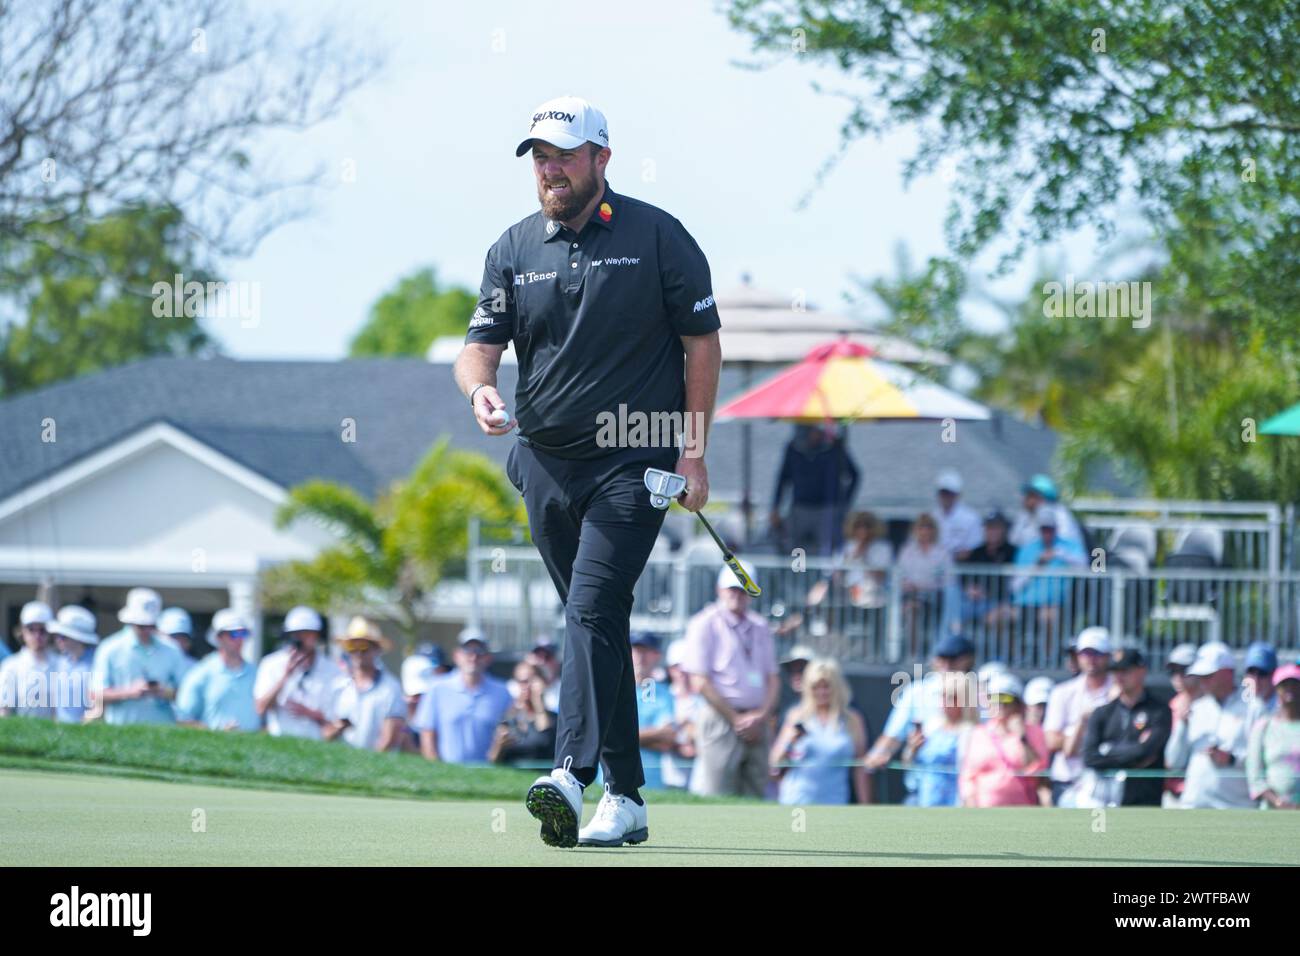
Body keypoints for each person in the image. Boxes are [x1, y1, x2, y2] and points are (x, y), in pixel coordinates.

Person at [453, 95, 723, 848]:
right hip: (544, 462)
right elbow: (478, 346)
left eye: (564, 156)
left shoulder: (659, 236)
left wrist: (691, 450)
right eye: (540, 157)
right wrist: (480, 387)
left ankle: (570, 774)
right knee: (595, 624)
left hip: (635, 460)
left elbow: (702, 343)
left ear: (601, 158)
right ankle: (628, 796)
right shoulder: (513, 247)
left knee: (592, 610)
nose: (550, 170)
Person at [682, 567, 780, 797]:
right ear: (719, 590)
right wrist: (737, 719)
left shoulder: (761, 626)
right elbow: (699, 681)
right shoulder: (704, 623)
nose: (737, 594)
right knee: (718, 793)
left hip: (757, 720)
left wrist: (761, 716)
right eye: (732, 588)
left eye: (743, 589)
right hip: (720, 718)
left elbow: (773, 679)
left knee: (755, 795)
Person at [865, 633, 976, 783]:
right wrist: (877, 755)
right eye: (942, 658)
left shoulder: (981, 692)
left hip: (968, 785)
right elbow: (893, 735)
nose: (947, 665)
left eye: (953, 659)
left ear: (968, 660)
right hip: (923, 785)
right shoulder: (916, 692)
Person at [1165, 642, 1253, 808]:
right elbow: (1173, 762)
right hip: (1193, 804)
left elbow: (1265, 760)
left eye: (1208, 675)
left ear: (1228, 673)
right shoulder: (1196, 708)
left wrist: (1232, 759)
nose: (1202, 681)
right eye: (1200, 675)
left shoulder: (1252, 709)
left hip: (1235, 807)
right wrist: (1182, 725)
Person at [771, 658, 868, 805]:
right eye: (816, 687)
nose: (821, 692)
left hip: (835, 801)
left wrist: (866, 805)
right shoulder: (797, 716)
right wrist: (791, 742)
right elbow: (775, 762)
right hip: (797, 801)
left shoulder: (852, 720)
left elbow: (860, 767)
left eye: (826, 686)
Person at [1081, 649, 1171, 806]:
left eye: (1125, 670)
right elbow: (1089, 757)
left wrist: (1107, 750)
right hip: (1107, 801)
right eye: (1115, 671)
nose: (1119, 676)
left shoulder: (1159, 711)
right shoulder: (1103, 713)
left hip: (1145, 801)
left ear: (1142, 671)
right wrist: (1134, 752)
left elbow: (1146, 752)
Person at [91, 588, 189, 725]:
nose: (146, 630)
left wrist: (164, 692)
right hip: (121, 731)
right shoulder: (109, 649)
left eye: (150, 625)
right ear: (130, 622)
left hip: (164, 732)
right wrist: (129, 692)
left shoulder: (172, 649)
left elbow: (187, 692)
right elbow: (95, 695)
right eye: (141, 625)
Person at [413, 629, 512, 763]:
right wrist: (436, 771)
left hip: (489, 776)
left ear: (488, 658)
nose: (473, 657)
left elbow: (508, 733)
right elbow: (427, 734)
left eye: (479, 651)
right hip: (447, 773)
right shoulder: (437, 688)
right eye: (468, 650)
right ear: (456, 655)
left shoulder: (502, 692)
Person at [1042, 627, 1115, 805]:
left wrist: (1074, 738)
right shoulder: (1062, 692)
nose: (1091, 659)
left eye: (1097, 653)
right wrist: (1090, 737)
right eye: (1085, 653)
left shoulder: (1119, 692)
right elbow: (1051, 741)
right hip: (1067, 783)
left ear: (1107, 656)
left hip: (1107, 783)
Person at [959, 673, 1051, 807]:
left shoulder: (1034, 732)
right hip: (983, 811)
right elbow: (968, 775)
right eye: (994, 698)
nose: (1000, 704)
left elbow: (1036, 772)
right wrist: (970, 801)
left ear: (1017, 704)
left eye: (1005, 698)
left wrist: (1022, 738)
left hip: (1021, 809)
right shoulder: (979, 733)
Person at [770, 424, 860, 557]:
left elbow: (854, 475)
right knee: (796, 548)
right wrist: (775, 506)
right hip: (799, 508)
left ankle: (825, 577)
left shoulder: (835, 448)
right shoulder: (793, 448)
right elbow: (783, 479)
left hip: (827, 509)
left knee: (827, 548)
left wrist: (844, 503)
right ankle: (798, 574)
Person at [1011, 513, 1086, 663]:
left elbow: (1087, 566)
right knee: (1003, 617)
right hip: (1025, 604)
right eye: (1044, 529)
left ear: (1056, 529)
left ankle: (1048, 659)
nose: (1047, 533)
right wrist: (1037, 564)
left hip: (1057, 603)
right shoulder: (1027, 549)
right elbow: (1015, 585)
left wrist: (1060, 554)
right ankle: (1014, 658)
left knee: (1049, 616)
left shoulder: (1068, 546)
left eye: (1050, 529)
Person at [254, 605, 337, 740]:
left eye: (306, 634)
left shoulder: (332, 670)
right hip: (280, 744)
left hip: (317, 746)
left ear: (316, 635)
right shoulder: (271, 664)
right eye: (296, 635)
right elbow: (261, 708)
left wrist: (310, 713)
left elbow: (338, 721)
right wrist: (286, 676)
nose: (301, 640)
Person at [324, 617, 406, 752]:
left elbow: (390, 738)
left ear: (377, 650)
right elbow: (324, 733)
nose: (358, 652)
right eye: (352, 646)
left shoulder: (391, 688)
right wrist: (338, 728)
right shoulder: (338, 686)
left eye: (363, 646)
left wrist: (367, 767)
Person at [899, 671, 978, 807]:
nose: (945, 702)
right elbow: (908, 764)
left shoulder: (972, 733)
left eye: (952, 697)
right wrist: (912, 749)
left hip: (955, 804)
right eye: (943, 696)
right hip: (925, 800)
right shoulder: (931, 728)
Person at [175, 609, 260, 732]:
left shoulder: (255, 673)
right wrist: (216, 733)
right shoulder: (201, 673)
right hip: (214, 749)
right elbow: (182, 719)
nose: (239, 639)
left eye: (243, 634)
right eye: (233, 634)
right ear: (219, 637)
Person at [1247, 662, 1300, 809]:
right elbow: (1255, 776)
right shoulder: (1263, 727)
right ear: (1277, 689)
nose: (1291, 689)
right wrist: (1279, 802)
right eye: (1285, 684)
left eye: (1295, 684)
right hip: (1273, 812)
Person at [897, 513, 950, 657]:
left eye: (928, 527)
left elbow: (947, 579)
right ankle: (912, 653)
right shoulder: (907, 551)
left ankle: (920, 654)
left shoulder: (942, 552)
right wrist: (908, 585)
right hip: (910, 595)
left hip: (933, 596)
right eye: (921, 527)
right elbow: (900, 575)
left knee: (914, 609)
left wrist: (922, 586)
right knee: (911, 608)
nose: (925, 531)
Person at [958, 509, 1017, 639]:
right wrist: (970, 589)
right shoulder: (976, 552)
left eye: (996, 527)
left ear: (1004, 529)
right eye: (989, 527)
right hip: (974, 602)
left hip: (1001, 602)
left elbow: (1014, 583)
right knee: (955, 618)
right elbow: (963, 578)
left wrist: (988, 593)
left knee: (996, 618)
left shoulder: (1012, 552)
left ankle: (998, 656)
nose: (992, 531)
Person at [630, 633, 676, 790]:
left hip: (651, 783)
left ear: (656, 655)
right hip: (607, 783)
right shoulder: (610, 689)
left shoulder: (664, 694)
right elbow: (604, 736)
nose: (640, 657)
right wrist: (652, 736)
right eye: (636, 651)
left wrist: (624, 738)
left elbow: (667, 738)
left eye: (646, 651)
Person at [489, 660, 557, 766]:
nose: (527, 687)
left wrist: (538, 701)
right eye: (522, 682)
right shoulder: (509, 718)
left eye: (531, 681)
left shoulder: (554, 718)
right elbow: (493, 760)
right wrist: (499, 744)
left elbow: (544, 738)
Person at [0, 601, 56, 719]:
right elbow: (4, 712)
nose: (37, 635)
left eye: (42, 630)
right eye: (31, 629)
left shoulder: (61, 664)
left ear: (50, 633)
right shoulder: (11, 666)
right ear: (22, 632)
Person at [48, 605, 100, 724]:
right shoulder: (60, 662)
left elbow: (99, 708)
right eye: (57, 635)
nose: (58, 640)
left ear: (78, 638)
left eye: (63, 636)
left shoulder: (96, 664)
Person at [1009, 473, 1083, 549]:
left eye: (1032, 496)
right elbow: (1014, 541)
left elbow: (1065, 542)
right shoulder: (1025, 515)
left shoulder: (1060, 514)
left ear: (1046, 498)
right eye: (1027, 495)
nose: (1027, 499)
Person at [931, 469, 982, 561]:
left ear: (958, 494)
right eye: (943, 493)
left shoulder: (971, 518)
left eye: (949, 493)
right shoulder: (932, 517)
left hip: (962, 568)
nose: (946, 496)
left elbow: (974, 546)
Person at [1242, 641, 1279, 729]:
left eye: (1262, 673)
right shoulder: (1241, 704)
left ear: (1274, 674)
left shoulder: (1284, 707)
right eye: (1251, 672)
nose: (1256, 679)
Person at [156, 607, 200, 679]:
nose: (179, 642)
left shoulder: (197, 668)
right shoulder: (148, 661)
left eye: (183, 637)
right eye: (173, 637)